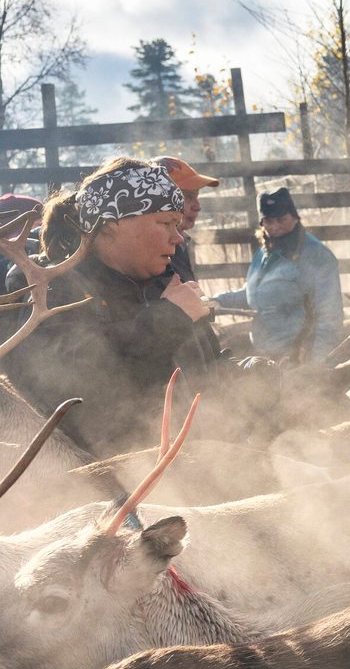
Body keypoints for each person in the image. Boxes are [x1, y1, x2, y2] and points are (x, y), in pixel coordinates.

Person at [1, 158, 220, 457]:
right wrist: (169, 318)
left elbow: (211, 372)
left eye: (177, 224)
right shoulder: (52, 292)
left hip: (190, 460)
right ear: (109, 227)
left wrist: (255, 376)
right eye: (165, 222)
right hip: (102, 481)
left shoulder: (163, 284)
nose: (177, 237)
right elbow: (82, 395)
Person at [214, 187, 343, 361]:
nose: (275, 226)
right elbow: (255, 295)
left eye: (281, 219)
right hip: (265, 353)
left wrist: (317, 362)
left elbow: (330, 315)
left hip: (299, 354)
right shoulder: (264, 253)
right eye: (268, 220)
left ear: (294, 217)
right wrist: (218, 301)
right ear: (262, 222)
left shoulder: (317, 256)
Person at [152, 157, 220, 283]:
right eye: (188, 197)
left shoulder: (184, 242)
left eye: (196, 196)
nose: (198, 206)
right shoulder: (149, 252)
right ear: (161, 200)